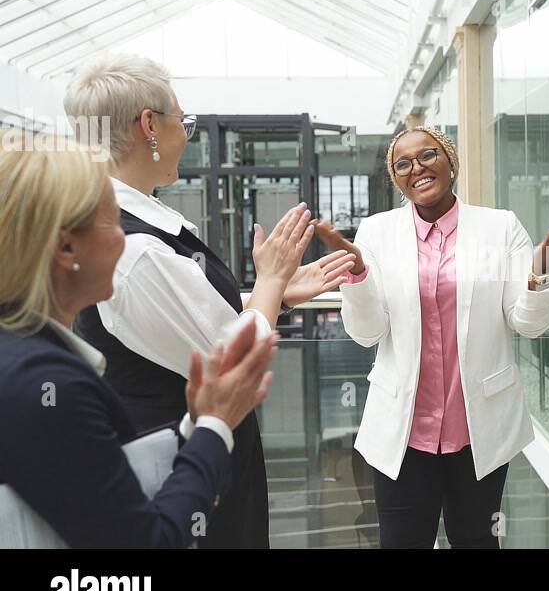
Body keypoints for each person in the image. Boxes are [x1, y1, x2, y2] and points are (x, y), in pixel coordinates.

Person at [64, 54, 356, 548]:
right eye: (184, 122)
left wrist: (275, 294)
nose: (188, 134)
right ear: (149, 126)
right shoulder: (133, 249)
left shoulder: (134, 229)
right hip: (183, 479)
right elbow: (233, 357)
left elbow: (184, 317)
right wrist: (269, 281)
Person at [0, 133, 277, 548]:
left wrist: (196, 424)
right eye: (113, 221)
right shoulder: (48, 383)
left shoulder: (28, 359)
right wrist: (216, 426)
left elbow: (96, 487)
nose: (125, 238)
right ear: (65, 246)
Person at [314, 126, 549, 548]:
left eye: (427, 155)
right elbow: (367, 334)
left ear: (450, 161)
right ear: (397, 178)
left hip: (478, 431)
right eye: (403, 163)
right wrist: (358, 276)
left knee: (476, 542)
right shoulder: (377, 233)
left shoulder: (500, 227)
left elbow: (528, 323)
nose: (416, 168)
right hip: (403, 434)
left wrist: (538, 271)